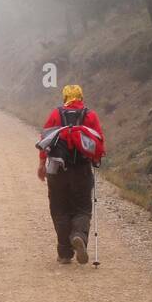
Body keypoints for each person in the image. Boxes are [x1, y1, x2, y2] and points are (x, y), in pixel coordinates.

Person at [37, 84, 104, 264]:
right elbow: (99, 141)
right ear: (81, 97)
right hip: (82, 170)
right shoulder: (90, 115)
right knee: (82, 208)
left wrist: (42, 163)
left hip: (57, 170)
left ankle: (65, 254)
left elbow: (44, 140)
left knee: (59, 210)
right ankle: (79, 236)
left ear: (65, 97)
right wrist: (95, 160)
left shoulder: (55, 114)